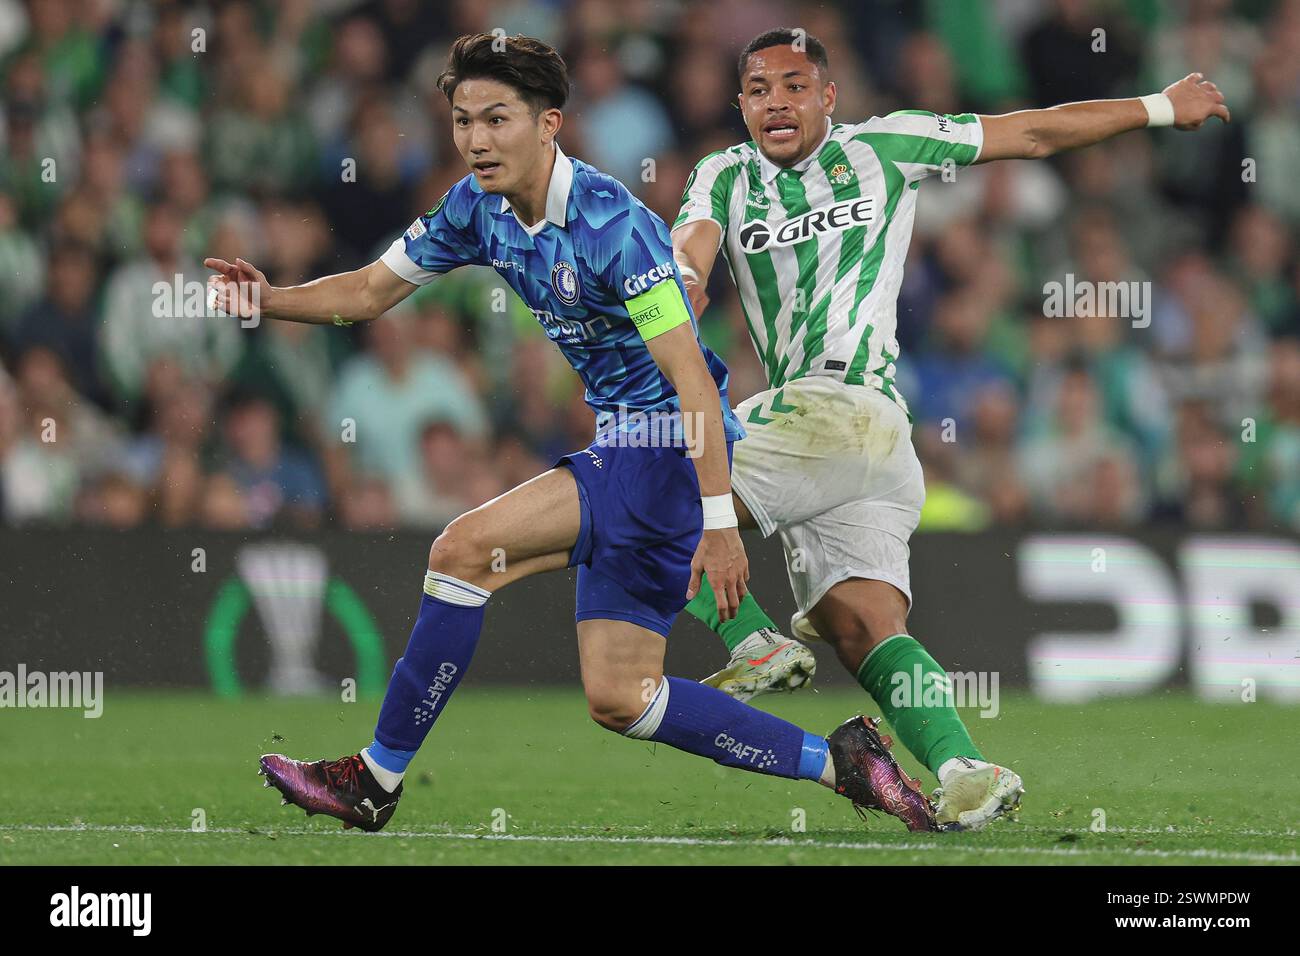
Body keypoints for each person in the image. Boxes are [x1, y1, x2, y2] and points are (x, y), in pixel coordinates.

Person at [205, 33, 939, 834]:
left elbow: (691, 377)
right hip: (628, 447)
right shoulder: (475, 207)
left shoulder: (613, 225)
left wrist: (720, 522)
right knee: (621, 696)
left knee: (460, 552)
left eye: (497, 119)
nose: (477, 140)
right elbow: (371, 290)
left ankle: (373, 780)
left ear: (548, 123)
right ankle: (848, 766)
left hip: (662, 447)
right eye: (461, 121)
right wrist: (270, 299)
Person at [672, 28, 1231, 830]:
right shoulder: (723, 175)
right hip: (853, 438)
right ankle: (964, 768)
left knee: (654, 466)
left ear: (830, 96)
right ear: (740, 106)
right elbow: (692, 244)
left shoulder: (889, 144)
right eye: (759, 90)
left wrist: (1157, 106)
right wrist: (683, 282)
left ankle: (751, 637)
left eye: (795, 86)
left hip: (844, 409)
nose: (777, 102)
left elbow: (1032, 131)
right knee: (858, 623)